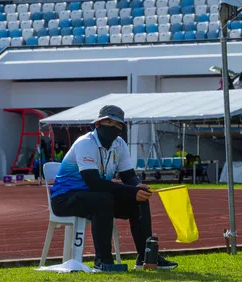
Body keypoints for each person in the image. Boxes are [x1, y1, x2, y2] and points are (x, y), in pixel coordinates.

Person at [49, 104, 177, 272]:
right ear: (97, 124)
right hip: (65, 198)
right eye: (108, 123)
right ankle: (103, 261)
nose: (113, 128)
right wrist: (131, 191)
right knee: (104, 199)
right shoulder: (85, 144)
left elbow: (128, 175)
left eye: (117, 125)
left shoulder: (119, 145)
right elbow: (93, 182)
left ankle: (146, 257)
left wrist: (138, 186)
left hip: (95, 196)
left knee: (139, 201)